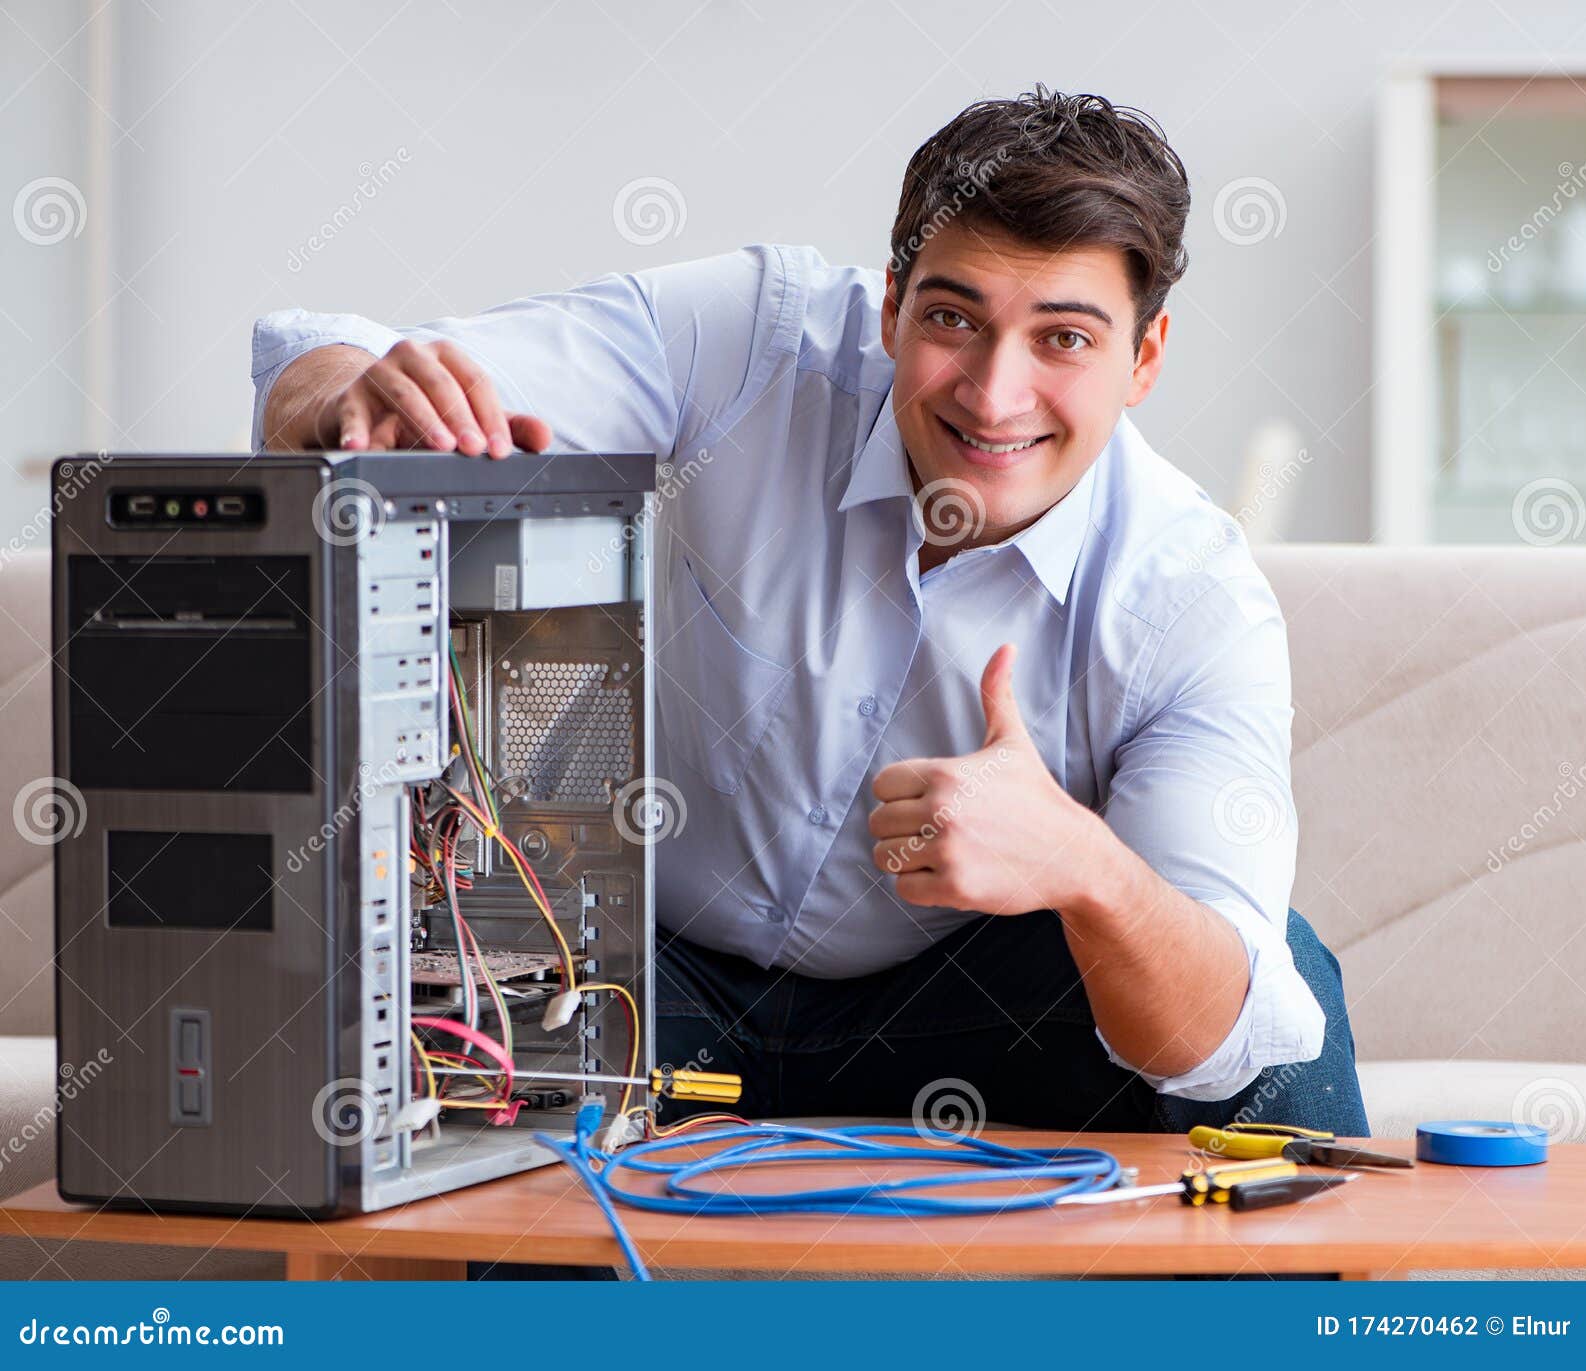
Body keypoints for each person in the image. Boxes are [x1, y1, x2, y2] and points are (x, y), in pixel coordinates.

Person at [253, 85, 1367, 1276]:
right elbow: (339, 360)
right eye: (954, 317)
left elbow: (1218, 1036)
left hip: (961, 1019)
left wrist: (1080, 865)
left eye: (1063, 337)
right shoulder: (748, 338)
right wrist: (347, 400)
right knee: (460, 959)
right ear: (889, 306)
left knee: (1283, 985)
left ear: (1143, 356)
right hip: (647, 991)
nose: (992, 396)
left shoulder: (1187, 596)